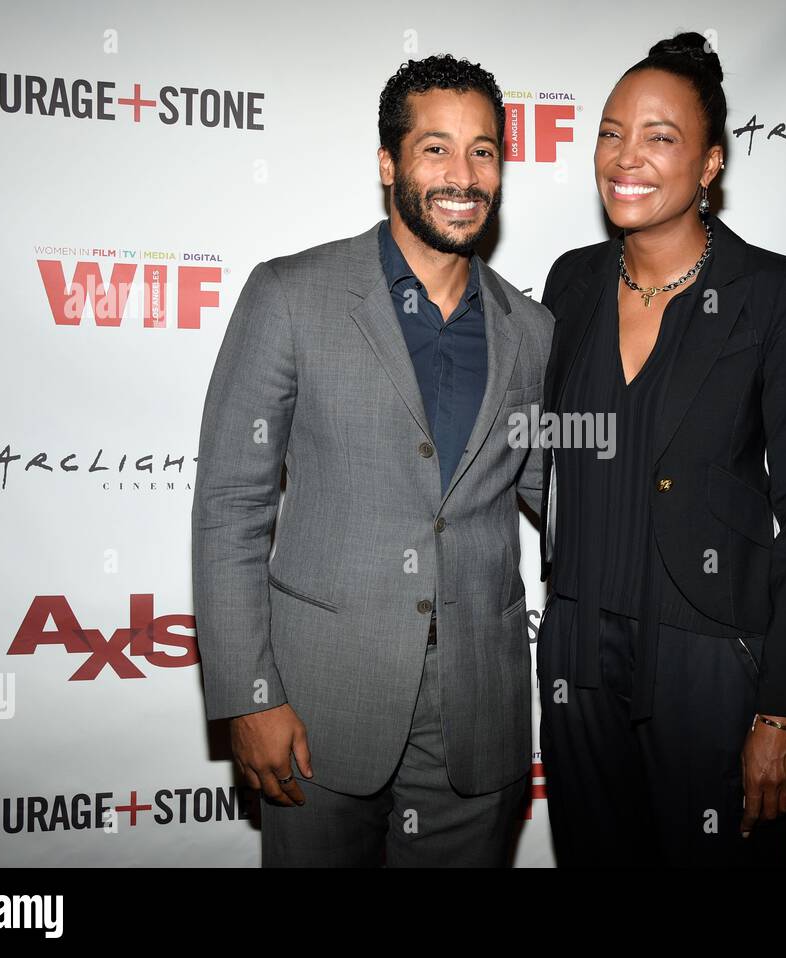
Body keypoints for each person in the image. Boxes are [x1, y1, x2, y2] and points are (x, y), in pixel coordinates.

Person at [191, 54, 553, 867]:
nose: (464, 175)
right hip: (320, 707)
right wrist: (251, 696)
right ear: (389, 163)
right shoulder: (291, 295)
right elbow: (229, 506)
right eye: (436, 149)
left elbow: (558, 496)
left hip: (478, 712)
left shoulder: (532, 331)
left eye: (484, 151)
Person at [536, 32, 786, 866]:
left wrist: (784, 711)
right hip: (575, 648)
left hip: (711, 658)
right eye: (610, 132)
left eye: (660, 137)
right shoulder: (571, 283)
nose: (626, 157)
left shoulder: (775, 293)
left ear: (710, 165)